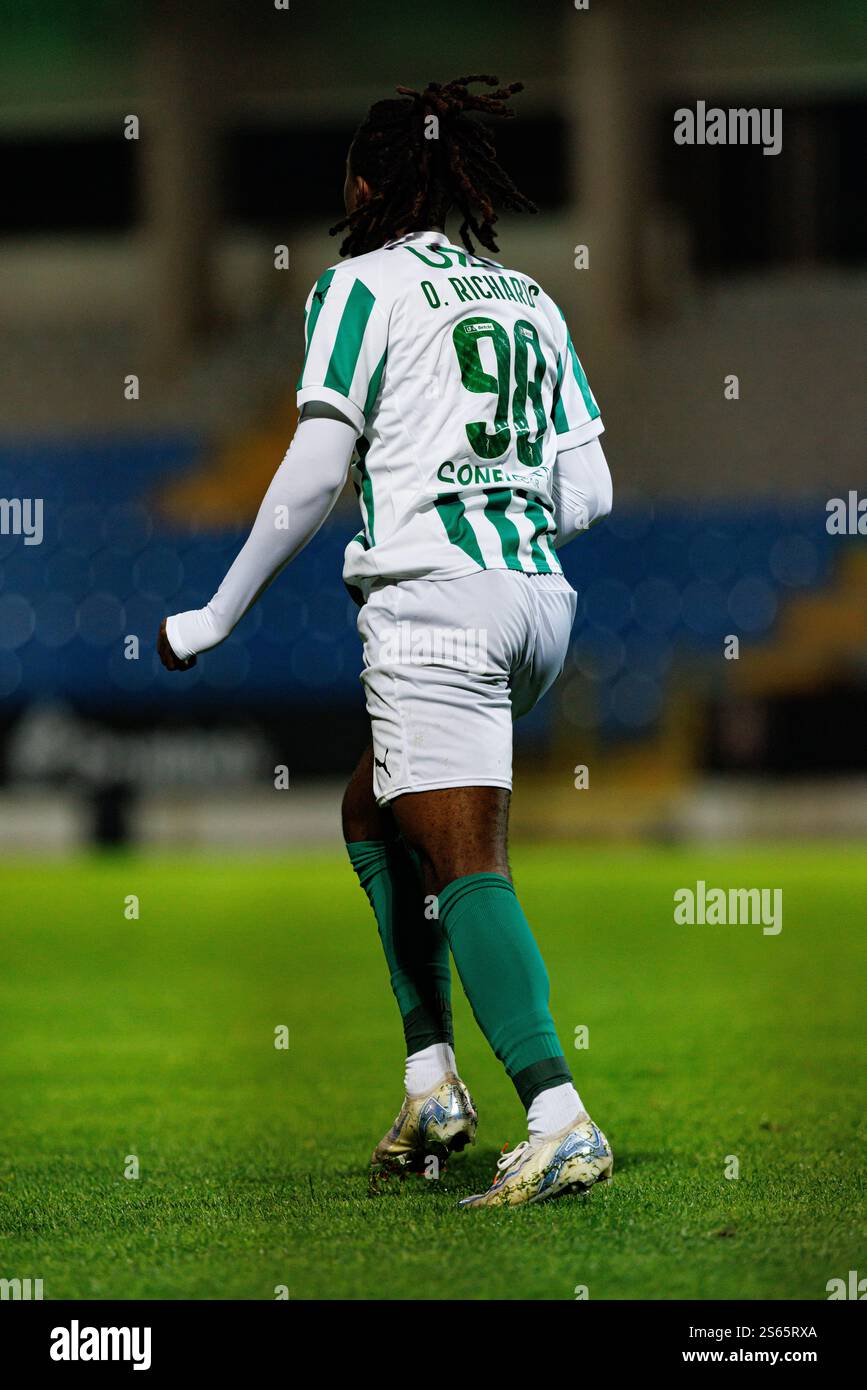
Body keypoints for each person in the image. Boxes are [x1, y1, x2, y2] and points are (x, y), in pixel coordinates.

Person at [159, 75, 614, 1208]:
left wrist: (215, 614)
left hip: (435, 609)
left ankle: (558, 1115)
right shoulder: (529, 297)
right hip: (534, 606)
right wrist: (490, 503)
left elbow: (318, 466)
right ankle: (431, 1081)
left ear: (364, 187)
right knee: (374, 808)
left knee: (467, 861)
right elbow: (592, 489)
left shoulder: (355, 287)